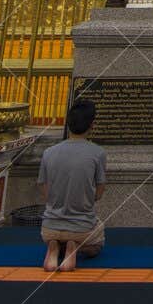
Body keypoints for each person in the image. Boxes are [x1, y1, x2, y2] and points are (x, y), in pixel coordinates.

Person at [38, 100, 108, 272]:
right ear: (92, 125)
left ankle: (54, 246)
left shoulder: (49, 152)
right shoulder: (97, 153)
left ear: (68, 123)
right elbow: (98, 193)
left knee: (55, 233)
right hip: (81, 225)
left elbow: (44, 189)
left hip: (49, 227)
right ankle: (73, 246)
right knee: (97, 243)